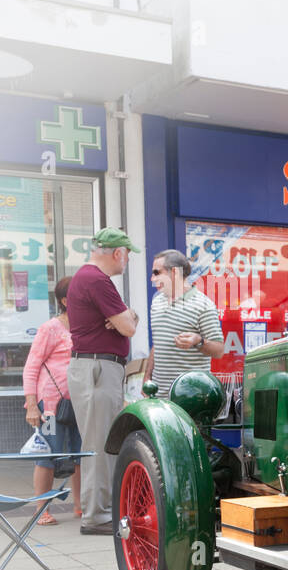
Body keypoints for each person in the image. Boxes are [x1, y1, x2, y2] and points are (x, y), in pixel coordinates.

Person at [66, 227, 140, 536]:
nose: (126, 262)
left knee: (98, 442)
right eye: (127, 255)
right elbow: (128, 327)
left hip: (94, 368)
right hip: (98, 368)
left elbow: (126, 321)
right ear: (117, 253)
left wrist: (127, 315)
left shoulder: (86, 277)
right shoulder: (98, 280)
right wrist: (127, 317)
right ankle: (97, 515)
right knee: (98, 444)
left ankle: (100, 511)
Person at [22, 277, 81, 525]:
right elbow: (31, 366)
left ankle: (80, 506)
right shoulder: (50, 328)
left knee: (81, 456)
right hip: (51, 404)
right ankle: (41, 509)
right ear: (65, 301)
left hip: (80, 401)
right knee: (47, 455)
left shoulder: (86, 326)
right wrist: (32, 404)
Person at [146, 249, 223, 397]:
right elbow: (159, 343)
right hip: (159, 398)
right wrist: (147, 377)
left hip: (191, 397)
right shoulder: (157, 302)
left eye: (157, 273)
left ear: (174, 272)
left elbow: (219, 350)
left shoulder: (203, 305)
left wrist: (198, 341)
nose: (152, 279)